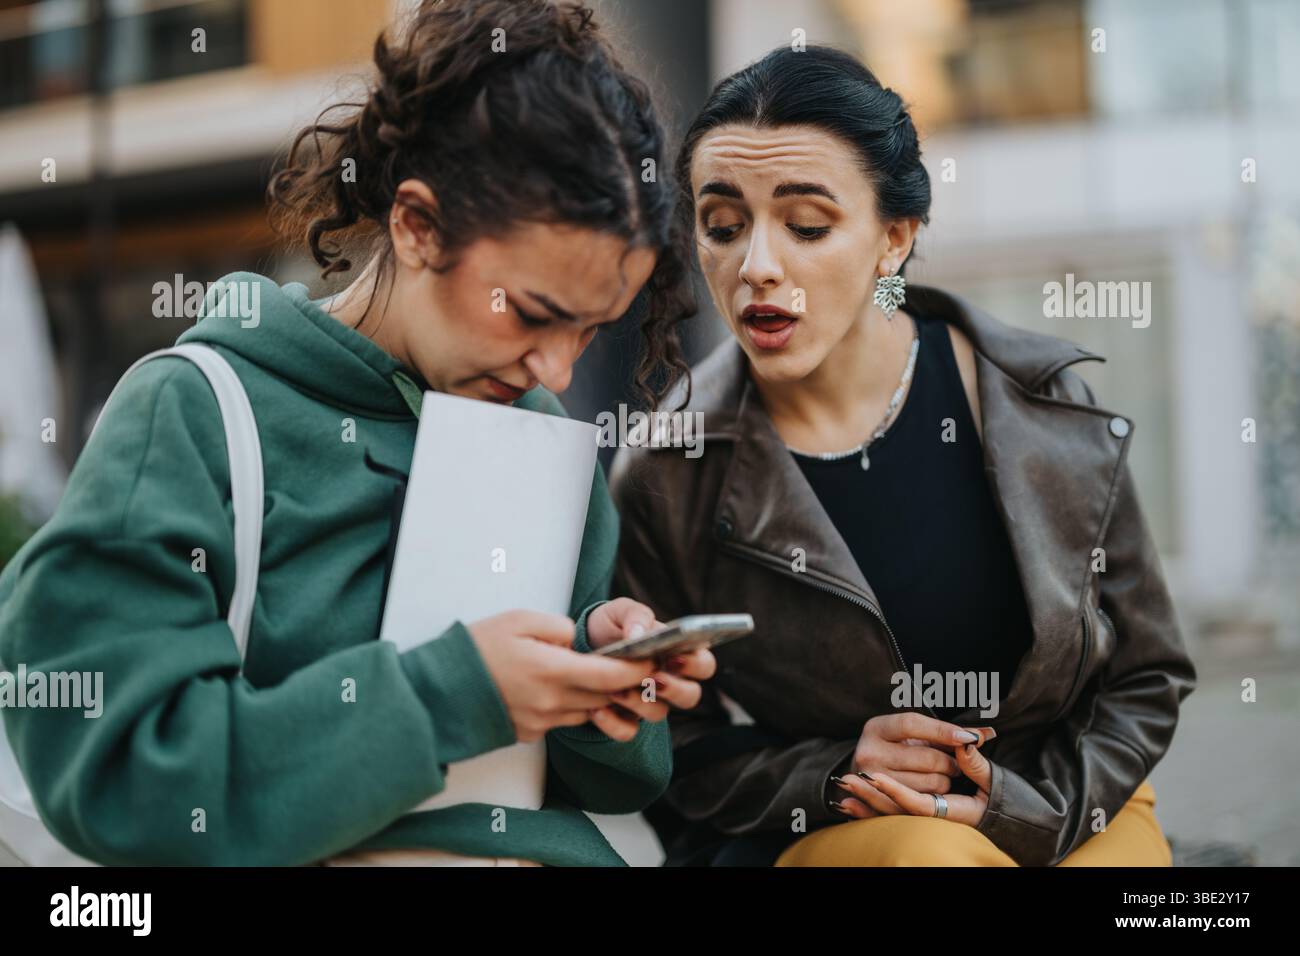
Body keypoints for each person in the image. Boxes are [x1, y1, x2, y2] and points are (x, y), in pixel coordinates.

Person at [0, 0, 712, 867]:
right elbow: (117, 772)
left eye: (592, 329)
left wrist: (605, 686)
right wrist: (453, 692)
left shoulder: (541, 438)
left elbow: (611, 788)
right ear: (416, 225)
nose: (557, 372)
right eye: (531, 313)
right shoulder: (193, 413)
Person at [610, 45, 1195, 867]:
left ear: (894, 238)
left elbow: (1147, 676)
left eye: (807, 225)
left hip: (1066, 801)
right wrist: (833, 773)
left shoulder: (1046, 407)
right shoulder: (670, 466)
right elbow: (666, 740)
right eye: (723, 226)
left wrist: (1023, 812)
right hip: (851, 832)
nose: (758, 267)